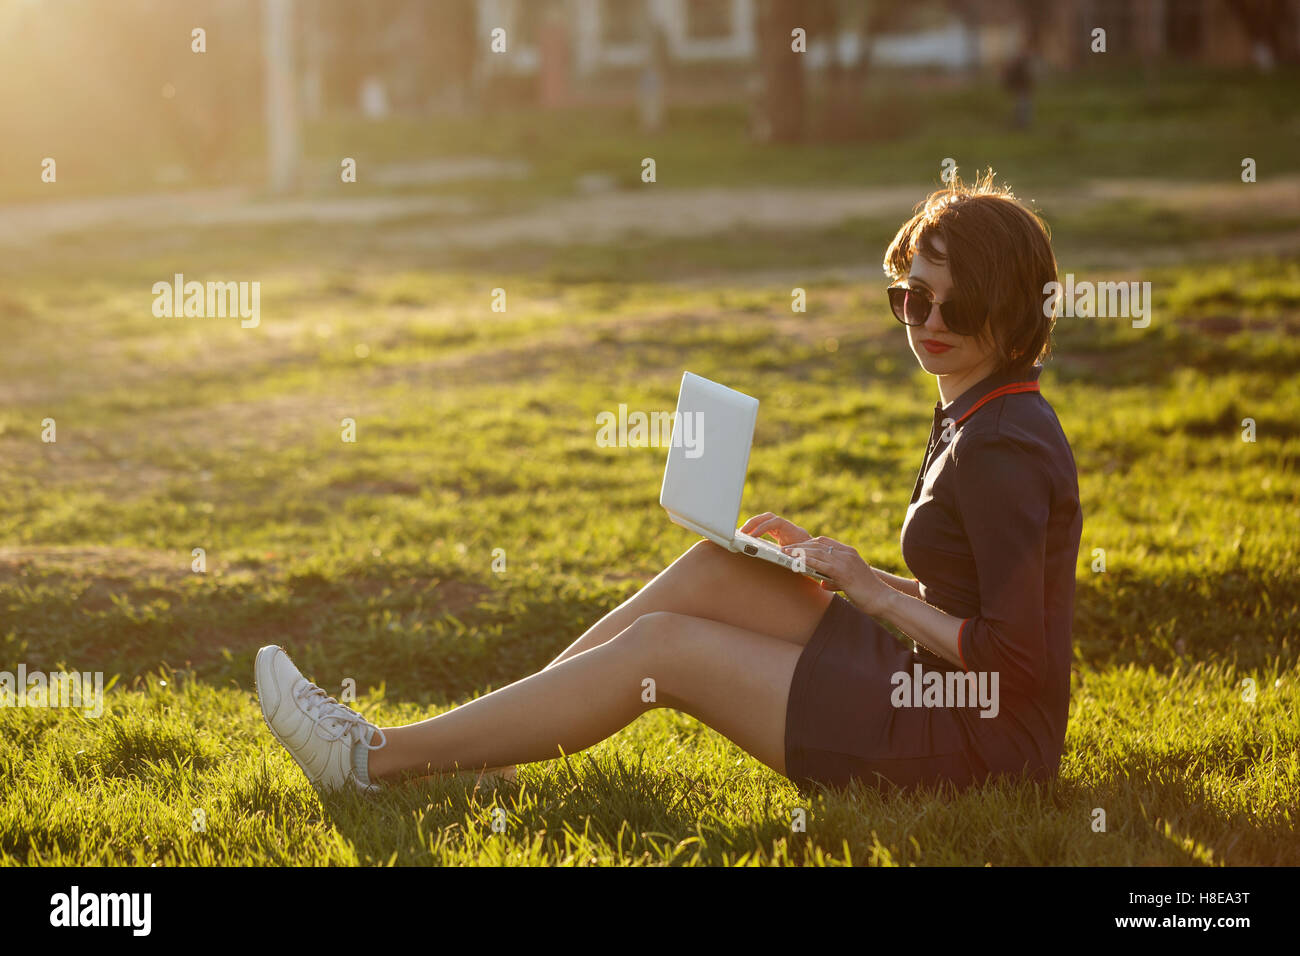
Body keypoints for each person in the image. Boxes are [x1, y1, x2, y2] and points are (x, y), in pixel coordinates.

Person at [255, 172, 1083, 798]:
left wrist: (871, 591)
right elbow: (972, 603)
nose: (931, 323)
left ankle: (370, 759)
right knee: (720, 566)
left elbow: (1019, 658)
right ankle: (486, 760)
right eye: (912, 299)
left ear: (1012, 308)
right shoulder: (980, 411)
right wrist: (833, 569)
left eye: (956, 301)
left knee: (664, 653)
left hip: (976, 739)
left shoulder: (1001, 447)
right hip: (938, 683)